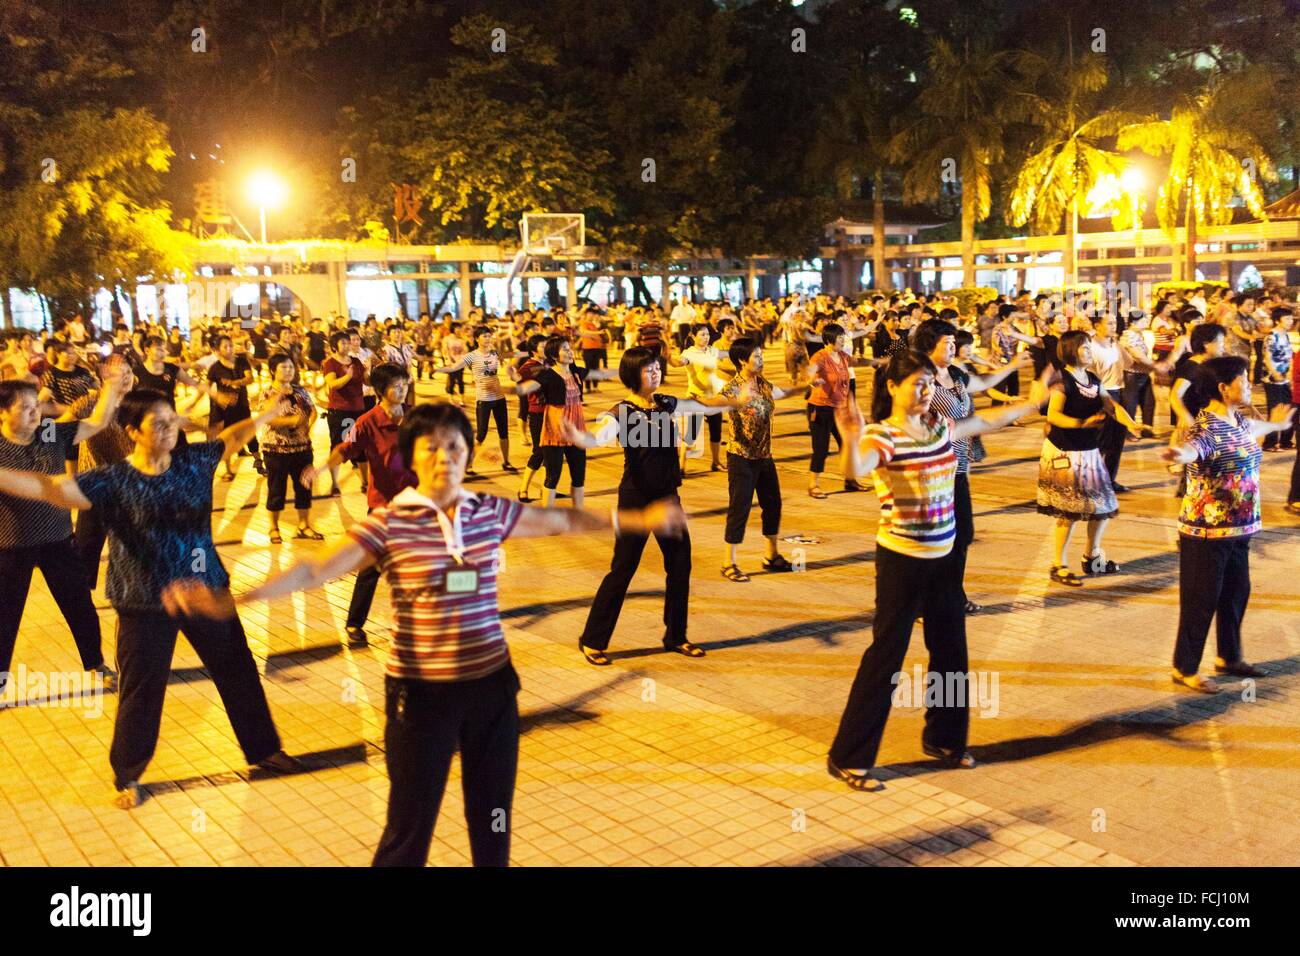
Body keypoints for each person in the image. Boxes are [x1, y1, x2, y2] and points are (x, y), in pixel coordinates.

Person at [165, 402, 685, 866]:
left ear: (468, 450)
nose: (444, 457)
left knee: (493, 822)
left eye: (454, 446)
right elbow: (315, 569)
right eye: (430, 448)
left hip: (492, 691)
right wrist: (231, 599)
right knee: (409, 830)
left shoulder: (488, 511)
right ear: (410, 458)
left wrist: (638, 517)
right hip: (420, 696)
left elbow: (562, 521)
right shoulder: (391, 523)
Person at [0, 387, 301, 807]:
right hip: (143, 601)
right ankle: (127, 774)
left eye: (172, 421)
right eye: (157, 424)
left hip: (204, 588)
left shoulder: (195, 461)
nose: (168, 431)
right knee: (142, 689)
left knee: (237, 668)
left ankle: (264, 750)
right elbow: (49, 488)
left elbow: (232, 437)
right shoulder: (112, 480)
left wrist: (267, 414)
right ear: (132, 432)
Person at [826, 351, 1045, 789]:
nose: (926, 391)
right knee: (886, 657)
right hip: (902, 561)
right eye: (916, 384)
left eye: (929, 383)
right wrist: (849, 437)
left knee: (951, 653)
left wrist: (1034, 402)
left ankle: (945, 740)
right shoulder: (882, 435)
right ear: (892, 387)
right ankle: (848, 755)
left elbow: (985, 423)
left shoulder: (940, 427)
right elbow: (858, 466)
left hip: (944, 558)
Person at [563, 346, 742, 666]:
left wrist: (734, 400)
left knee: (680, 565)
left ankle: (676, 636)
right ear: (634, 375)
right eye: (648, 370)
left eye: (657, 367)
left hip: (667, 497)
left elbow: (701, 407)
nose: (656, 372)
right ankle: (592, 639)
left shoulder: (666, 403)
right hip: (635, 500)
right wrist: (581, 438)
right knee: (623, 569)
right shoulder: (621, 412)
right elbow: (599, 436)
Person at [1160, 356, 1295, 693]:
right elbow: (1195, 448)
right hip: (1207, 531)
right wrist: (1180, 455)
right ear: (1223, 388)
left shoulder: (1237, 419)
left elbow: (1253, 430)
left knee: (1236, 592)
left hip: (1240, 527)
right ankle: (1184, 667)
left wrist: (1276, 427)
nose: (1250, 385)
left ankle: (1229, 657)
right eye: (1244, 381)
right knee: (1201, 598)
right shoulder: (1206, 427)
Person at [0, 367, 128, 697]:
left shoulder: (49, 434)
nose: (34, 413)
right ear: (3, 412)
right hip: (11, 545)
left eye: (36, 406)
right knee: (5, 616)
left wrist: (111, 388)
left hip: (58, 538)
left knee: (79, 604)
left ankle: (96, 665)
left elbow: (97, 422)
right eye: (25, 407)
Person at [911, 319, 1032, 613]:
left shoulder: (956, 375)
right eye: (946, 343)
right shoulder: (919, 381)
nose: (953, 348)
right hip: (931, 472)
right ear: (929, 345)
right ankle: (926, 602)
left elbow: (984, 383)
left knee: (962, 534)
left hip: (959, 468)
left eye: (954, 343)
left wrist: (1013, 365)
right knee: (934, 539)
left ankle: (953, 594)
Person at [301, 363, 416, 648]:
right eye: (396, 386)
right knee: (370, 568)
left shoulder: (416, 418)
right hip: (383, 508)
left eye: (404, 384)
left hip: (416, 507)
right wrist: (320, 469)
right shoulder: (366, 422)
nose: (402, 390)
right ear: (380, 391)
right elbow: (344, 449)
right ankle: (354, 624)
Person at [1037, 331, 1144, 587]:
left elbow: (1111, 406)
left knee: (1102, 507)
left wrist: (1132, 424)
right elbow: (1053, 415)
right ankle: (1058, 565)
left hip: (1088, 452)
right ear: (1071, 351)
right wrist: (1082, 423)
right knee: (1069, 512)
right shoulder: (1064, 381)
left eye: (1089, 348)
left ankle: (1092, 557)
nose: (1089, 352)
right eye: (1084, 348)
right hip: (1065, 452)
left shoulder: (1093, 379)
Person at [717, 337, 806, 582]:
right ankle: (729, 562)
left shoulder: (763, 383)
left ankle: (771, 555)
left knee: (773, 504)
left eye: (761, 355)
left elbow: (782, 391)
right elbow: (715, 403)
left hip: (764, 455)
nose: (761, 359)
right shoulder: (732, 387)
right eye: (756, 356)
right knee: (740, 508)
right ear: (741, 360)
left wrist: (806, 386)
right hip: (741, 457)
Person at [516, 336, 617, 509]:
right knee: (553, 475)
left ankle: (578, 513)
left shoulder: (576, 372)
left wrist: (626, 370)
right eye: (565, 349)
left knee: (579, 475)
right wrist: (513, 386)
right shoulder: (547, 374)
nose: (570, 352)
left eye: (570, 348)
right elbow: (527, 387)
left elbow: (598, 373)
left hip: (577, 429)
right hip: (555, 429)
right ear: (554, 354)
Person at [430, 326, 518, 476]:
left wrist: (525, 352)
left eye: (489, 336)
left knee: (504, 433)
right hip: (483, 399)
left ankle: (506, 461)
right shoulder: (471, 356)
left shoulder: (494, 353)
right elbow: (453, 367)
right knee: (481, 435)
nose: (487, 339)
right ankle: (468, 464)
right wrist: (437, 369)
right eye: (484, 336)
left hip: (499, 398)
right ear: (477, 339)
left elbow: (510, 355)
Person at [259, 353, 322, 544]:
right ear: (272, 370)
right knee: (276, 488)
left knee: (304, 487)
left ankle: (304, 524)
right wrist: (291, 420)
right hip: (276, 450)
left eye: (291, 367)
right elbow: (267, 418)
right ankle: (274, 528)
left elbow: (313, 412)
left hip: (302, 448)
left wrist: (307, 429)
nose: (288, 371)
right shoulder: (267, 393)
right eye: (283, 367)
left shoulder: (300, 391)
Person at [669, 323, 727, 473]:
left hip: (713, 400)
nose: (706, 337)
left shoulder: (712, 351)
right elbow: (678, 362)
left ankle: (716, 462)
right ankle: (680, 466)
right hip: (696, 399)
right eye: (702, 334)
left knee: (716, 432)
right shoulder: (689, 353)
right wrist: (668, 357)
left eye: (707, 334)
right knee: (691, 435)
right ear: (693, 337)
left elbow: (725, 358)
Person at [207, 333, 263, 480]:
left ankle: (259, 463)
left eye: (231, 345)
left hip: (242, 405)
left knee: (250, 433)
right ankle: (228, 470)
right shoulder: (214, 368)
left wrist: (235, 383)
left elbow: (250, 378)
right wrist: (216, 399)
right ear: (217, 351)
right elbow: (206, 387)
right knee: (227, 437)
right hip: (224, 409)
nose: (229, 349)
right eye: (225, 346)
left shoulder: (242, 362)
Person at [320, 331, 368, 497]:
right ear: (334, 346)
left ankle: (365, 482)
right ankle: (334, 484)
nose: (347, 345)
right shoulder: (330, 364)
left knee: (361, 445)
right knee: (339, 447)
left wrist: (368, 370)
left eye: (348, 342)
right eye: (343, 343)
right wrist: (348, 376)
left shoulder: (355, 361)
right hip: (339, 411)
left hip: (358, 410)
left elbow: (366, 381)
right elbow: (333, 384)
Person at [1261, 309, 1294, 452]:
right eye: (1287, 319)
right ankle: (1269, 443)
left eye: (1291, 319)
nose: (1291, 321)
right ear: (1277, 320)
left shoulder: (1285, 335)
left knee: (1288, 408)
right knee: (1275, 410)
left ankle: (1286, 441)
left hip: (1284, 377)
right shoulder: (1271, 336)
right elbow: (1267, 358)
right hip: (1272, 379)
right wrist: (1275, 373)